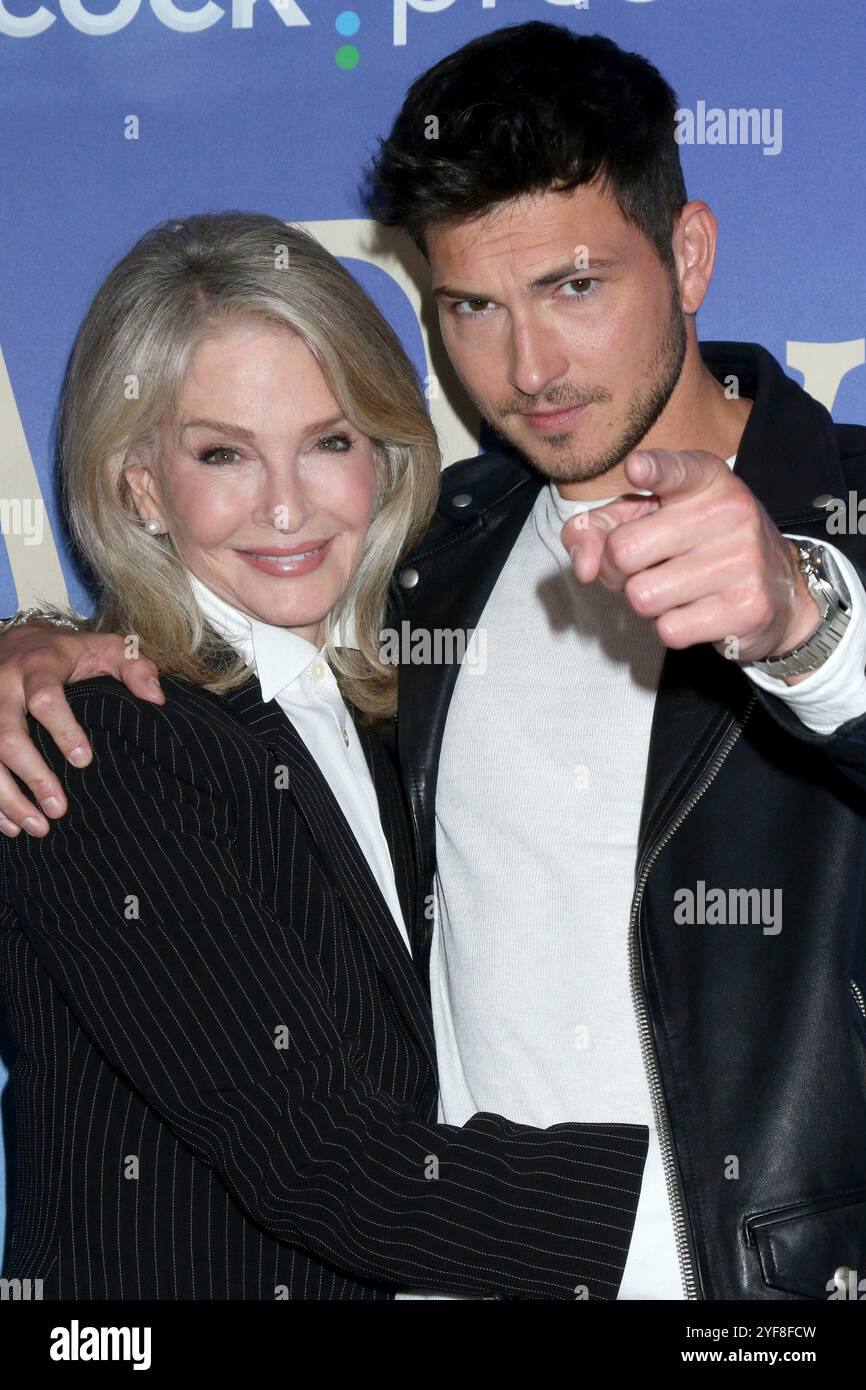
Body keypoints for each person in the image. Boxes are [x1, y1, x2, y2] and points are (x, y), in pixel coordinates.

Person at [2, 25, 866, 1300]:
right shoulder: (432, 568)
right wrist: (32, 641)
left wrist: (808, 623)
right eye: (473, 306)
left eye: (574, 287)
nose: (528, 369)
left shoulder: (843, 519)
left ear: (687, 256)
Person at [0, 209, 650, 1301]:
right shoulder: (98, 738)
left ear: (386, 451)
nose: (289, 505)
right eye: (223, 454)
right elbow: (312, 1152)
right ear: (139, 485)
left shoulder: (394, 714)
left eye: (329, 440)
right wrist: (702, 1222)